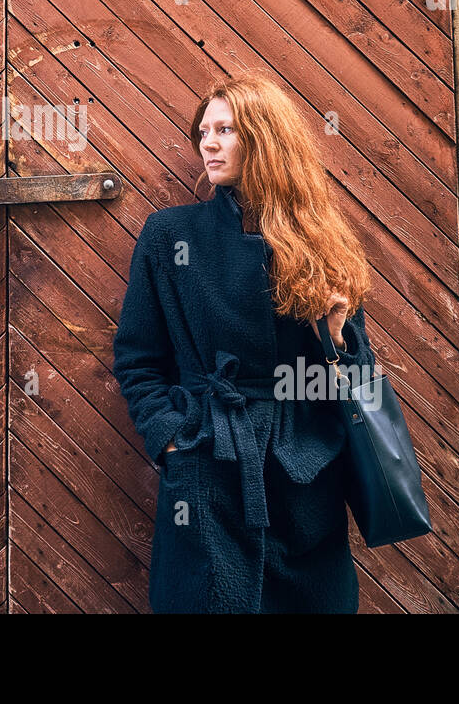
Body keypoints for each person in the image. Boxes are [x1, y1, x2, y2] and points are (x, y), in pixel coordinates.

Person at [111, 72, 379, 614]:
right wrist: (174, 439)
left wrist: (336, 337)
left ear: (264, 139)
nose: (207, 143)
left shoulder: (319, 240)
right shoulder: (171, 236)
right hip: (210, 459)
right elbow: (137, 359)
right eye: (203, 131)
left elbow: (359, 375)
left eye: (225, 130)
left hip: (303, 469)